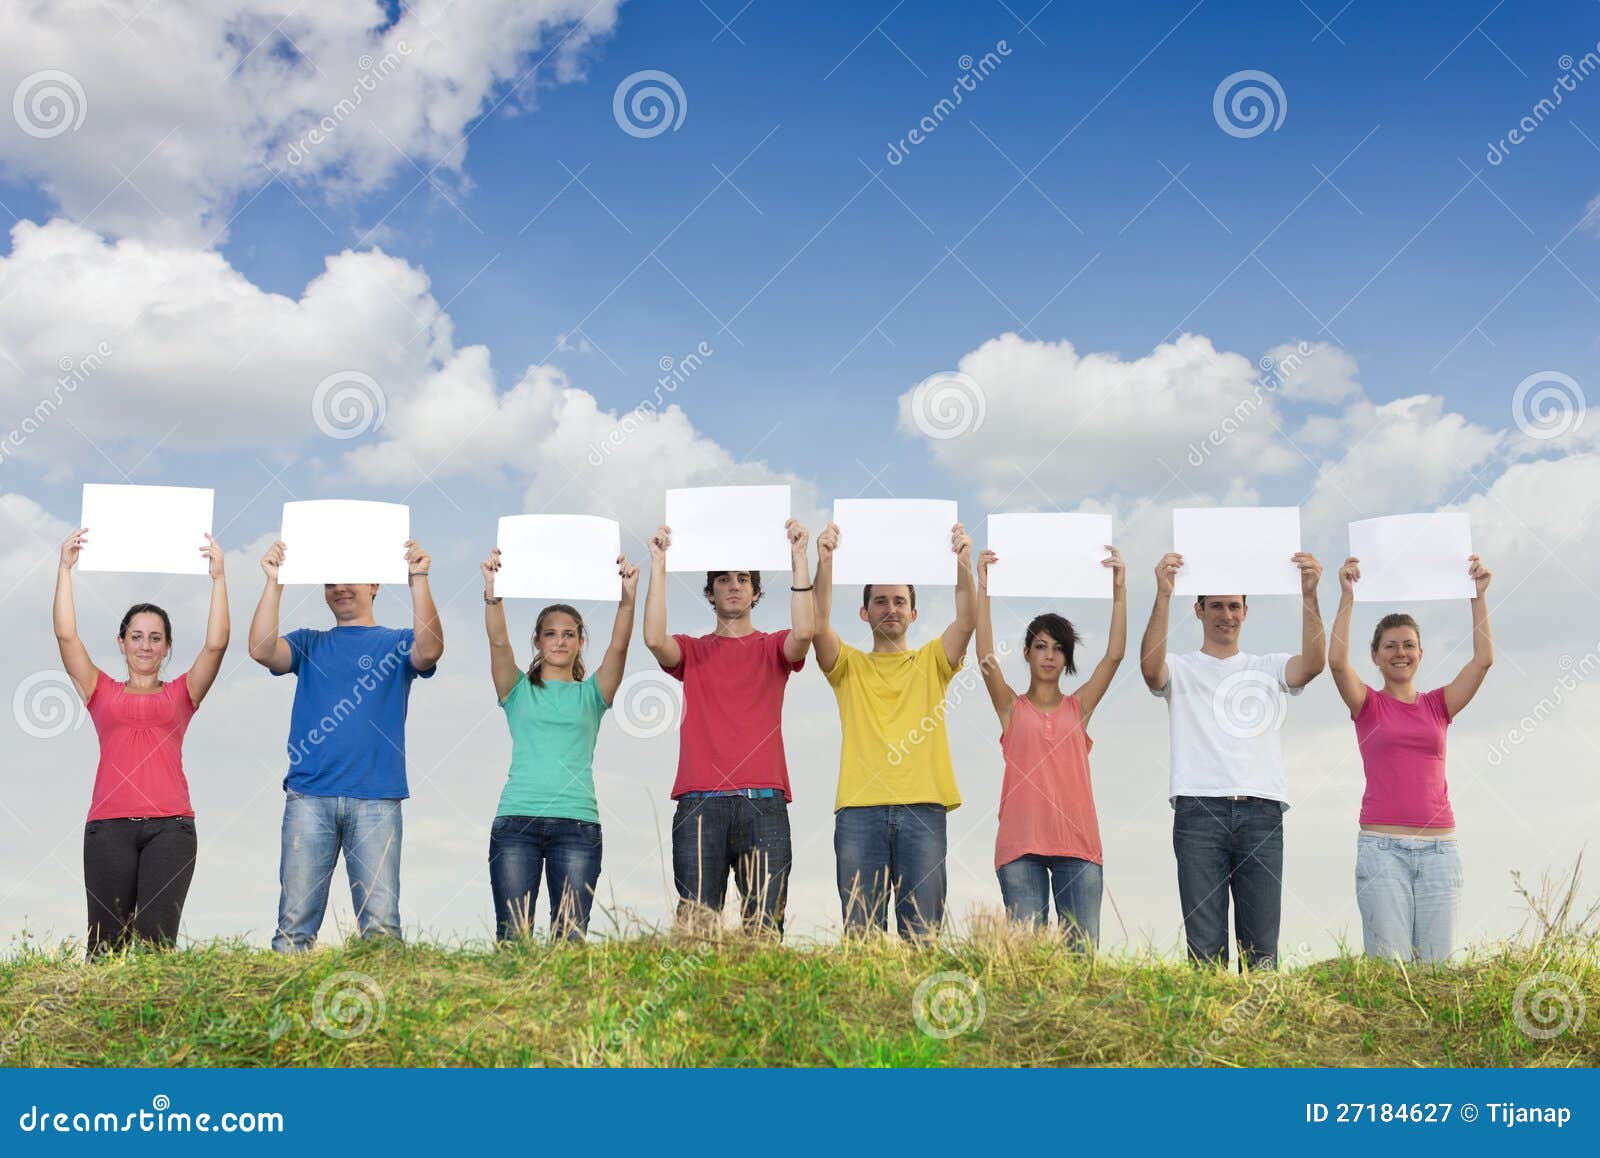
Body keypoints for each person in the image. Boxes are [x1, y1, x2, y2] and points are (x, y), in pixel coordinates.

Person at [249, 537, 442, 953]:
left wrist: (419, 580)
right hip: (309, 796)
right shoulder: (308, 643)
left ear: (375, 584)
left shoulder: (398, 642)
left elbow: (429, 651)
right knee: (294, 928)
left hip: (376, 798)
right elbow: (262, 650)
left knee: (381, 929)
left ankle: (388, 995)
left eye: (350, 579)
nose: (340, 588)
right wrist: (275, 582)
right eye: (331, 581)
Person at [1139, 550, 1324, 970]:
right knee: (1205, 952)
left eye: (1235, 606)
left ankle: (1259, 1015)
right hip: (1198, 812)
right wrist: (1163, 594)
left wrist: (1309, 595)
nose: (1227, 615)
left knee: (1261, 952)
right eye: (1217, 606)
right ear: (1199, 610)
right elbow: (1150, 669)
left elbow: (1313, 665)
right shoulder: (1179, 668)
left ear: (1246, 612)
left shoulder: (1267, 666)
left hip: (1261, 812)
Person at [53, 527, 229, 956]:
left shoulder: (182, 694)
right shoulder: (100, 691)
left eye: (155, 638)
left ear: (167, 646)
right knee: (105, 947)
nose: (145, 645)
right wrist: (64, 569)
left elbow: (216, 645)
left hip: (171, 828)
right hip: (108, 827)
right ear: (121, 642)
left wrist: (219, 578)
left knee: (156, 947)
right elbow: (66, 636)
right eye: (136, 636)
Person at [642, 518, 814, 937]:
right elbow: (654, 639)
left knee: (764, 929)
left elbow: (806, 631)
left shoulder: (773, 647)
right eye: (723, 579)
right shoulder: (693, 651)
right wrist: (659, 564)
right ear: (710, 592)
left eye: (743, 579)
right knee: (696, 929)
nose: (734, 585)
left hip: (763, 804)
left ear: (756, 592)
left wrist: (798, 558)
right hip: (700, 804)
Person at [813, 520, 977, 940]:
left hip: (923, 810)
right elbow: (818, 623)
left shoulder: (932, 661)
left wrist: (963, 563)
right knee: (861, 937)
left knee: (922, 937)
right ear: (864, 612)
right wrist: (825, 562)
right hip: (859, 811)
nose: (891, 608)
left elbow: (967, 620)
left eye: (900, 601)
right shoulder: (847, 666)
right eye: (881, 601)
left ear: (913, 613)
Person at [1328, 553, 1492, 963]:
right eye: (1390, 646)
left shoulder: (1438, 705)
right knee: (1391, 971)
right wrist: (1347, 595)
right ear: (1375, 655)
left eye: (1408, 645)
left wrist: (1478, 595)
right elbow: (1336, 662)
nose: (1400, 652)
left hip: (1440, 852)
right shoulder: (1367, 704)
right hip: (1382, 851)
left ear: (1420, 652)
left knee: (1437, 973)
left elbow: (1483, 661)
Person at [481, 547, 637, 942]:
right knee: (513, 938)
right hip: (517, 823)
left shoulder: (593, 694)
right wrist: (493, 594)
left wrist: (627, 599)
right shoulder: (517, 690)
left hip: (577, 825)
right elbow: (499, 643)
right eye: (551, 633)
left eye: (569, 634)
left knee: (570, 939)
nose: (560, 641)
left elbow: (619, 647)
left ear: (581, 641)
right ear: (537, 640)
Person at [975, 544, 1126, 948]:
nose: (1049, 655)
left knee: (1081, 960)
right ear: (1027, 652)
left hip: (1078, 847)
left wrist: (1119, 590)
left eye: (1059, 648)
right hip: (1020, 847)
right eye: (1041, 646)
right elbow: (985, 656)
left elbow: (1114, 656)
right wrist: (983, 588)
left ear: (1067, 658)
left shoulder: (1079, 708)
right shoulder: (1011, 708)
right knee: (1028, 959)